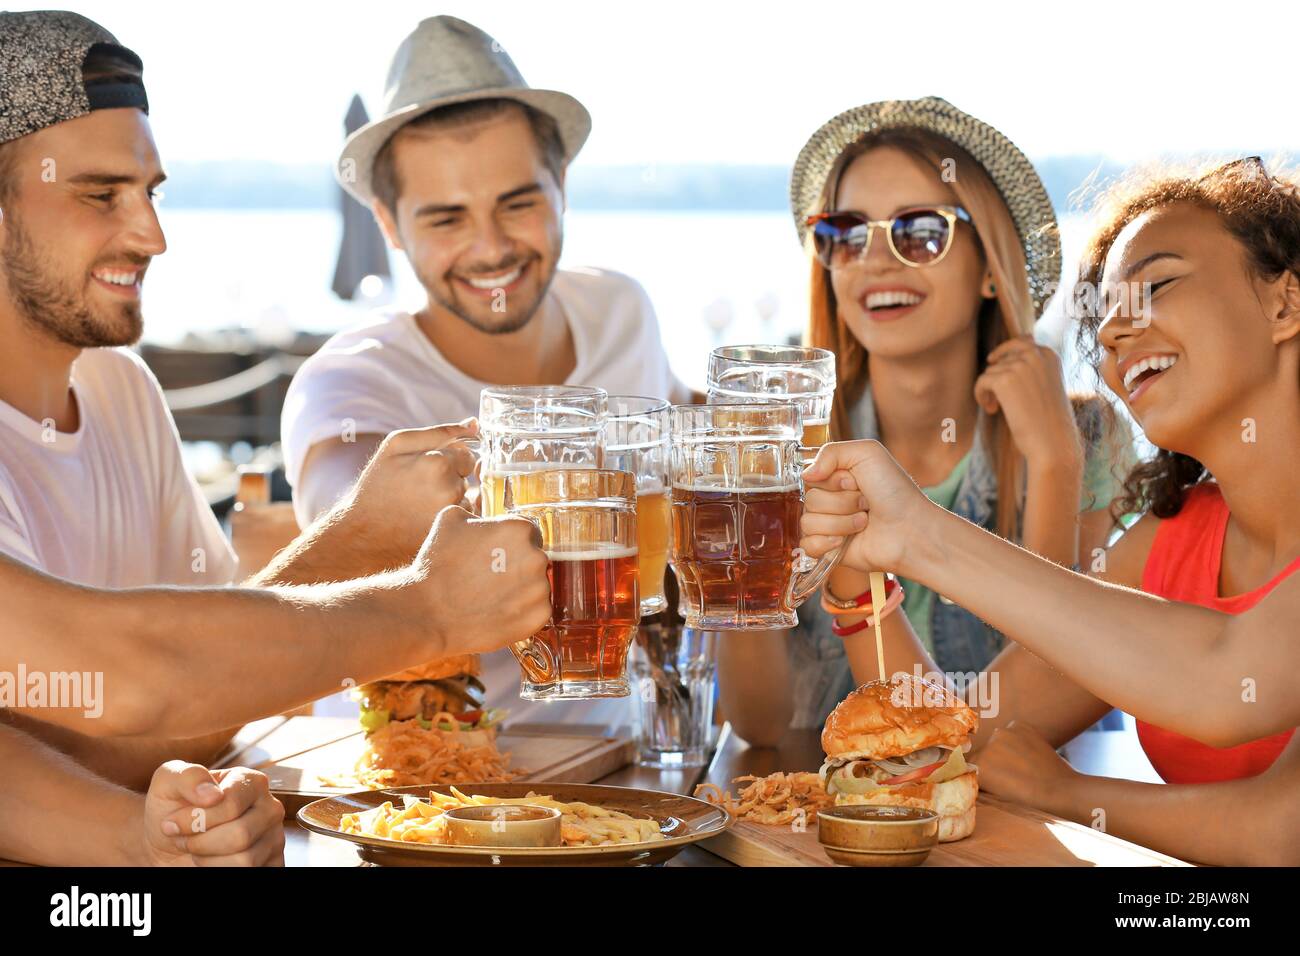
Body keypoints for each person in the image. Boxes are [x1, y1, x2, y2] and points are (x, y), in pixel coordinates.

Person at [0, 9, 549, 835]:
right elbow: (126, 677)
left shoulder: (121, 392)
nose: (151, 233)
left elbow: (203, 697)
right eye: (99, 194)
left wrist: (358, 538)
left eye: (149, 192)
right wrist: (428, 610)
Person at [799, 157, 1300, 865]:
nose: (1116, 335)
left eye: (1155, 285)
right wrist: (863, 582)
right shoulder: (1173, 536)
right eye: (1100, 321)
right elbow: (956, 744)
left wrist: (1067, 793)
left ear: (1285, 304)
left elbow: (1280, 829)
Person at [717, 98, 1134, 744]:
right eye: (846, 235)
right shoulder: (787, 446)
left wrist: (1055, 467)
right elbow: (760, 724)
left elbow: (1033, 725)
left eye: (919, 232)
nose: (877, 261)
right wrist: (738, 555)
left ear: (991, 269)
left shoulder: (1088, 437)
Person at [281, 15, 694, 528]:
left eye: (517, 205)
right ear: (388, 223)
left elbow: (685, 420)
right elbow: (340, 523)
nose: (492, 248)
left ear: (561, 185)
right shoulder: (350, 381)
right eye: (447, 219)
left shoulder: (621, 308)